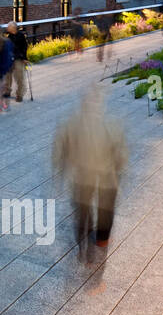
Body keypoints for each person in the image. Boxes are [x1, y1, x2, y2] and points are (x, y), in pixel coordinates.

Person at [53, 87, 127, 255]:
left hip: (85, 176)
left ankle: (88, 244)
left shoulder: (71, 123)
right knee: (101, 210)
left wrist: (60, 172)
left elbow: (60, 151)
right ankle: (99, 241)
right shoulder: (112, 123)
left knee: (86, 211)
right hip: (103, 176)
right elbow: (120, 153)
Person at [5, 22, 29, 102]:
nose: (7, 28)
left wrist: (25, 57)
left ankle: (19, 95)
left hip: (19, 58)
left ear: (13, 28)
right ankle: (7, 91)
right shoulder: (9, 36)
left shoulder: (21, 35)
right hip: (9, 59)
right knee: (7, 76)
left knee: (19, 77)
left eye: (9, 26)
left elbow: (25, 47)